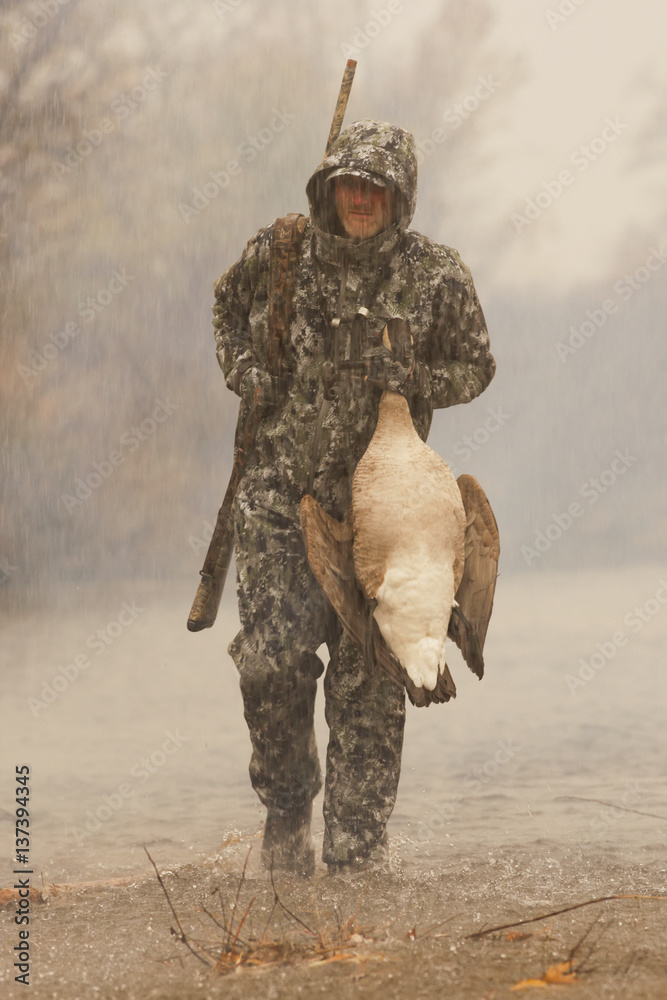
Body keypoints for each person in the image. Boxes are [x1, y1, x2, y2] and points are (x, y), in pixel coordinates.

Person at [212, 119, 495, 875]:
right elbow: (223, 316)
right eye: (348, 182)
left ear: (399, 195)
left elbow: (477, 366)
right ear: (328, 185)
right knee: (268, 665)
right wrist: (248, 373)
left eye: (376, 186)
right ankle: (284, 810)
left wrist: (419, 383)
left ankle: (356, 862)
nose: (360, 197)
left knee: (370, 682)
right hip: (278, 500)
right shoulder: (277, 257)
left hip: (385, 514)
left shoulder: (435, 274)